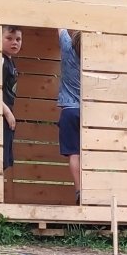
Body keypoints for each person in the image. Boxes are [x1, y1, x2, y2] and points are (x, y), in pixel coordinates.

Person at [57, 27, 82, 205]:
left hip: (69, 110)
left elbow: (60, 25)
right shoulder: (95, 55)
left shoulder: (67, 46)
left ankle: (80, 190)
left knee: (74, 154)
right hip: (88, 112)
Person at [1, 25, 22, 169]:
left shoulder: (10, 61)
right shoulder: (1, 61)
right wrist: (7, 112)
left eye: (18, 39)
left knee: (5, 159)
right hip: (0, 115)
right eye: (9, 38)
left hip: (6, 115)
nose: (14, 42)